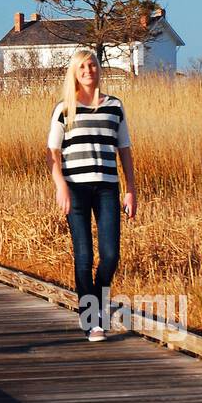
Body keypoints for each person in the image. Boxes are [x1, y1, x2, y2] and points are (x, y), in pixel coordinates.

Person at [46, 48, 136, 341]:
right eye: (82, 66)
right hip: (76, 189)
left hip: (108, 187)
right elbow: (52, 153)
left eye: (92, 65)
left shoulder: (115, 106)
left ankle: (97, 301)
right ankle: (92, 319)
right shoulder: (64, 109)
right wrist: (60, 185)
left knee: (110, 255)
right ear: (74, 72)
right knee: (84, 255)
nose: (88, 70)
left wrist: (131, 190)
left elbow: (125, 150)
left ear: (99, 68)